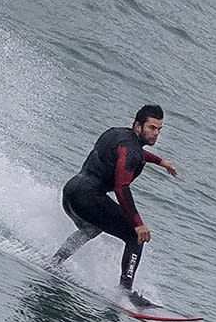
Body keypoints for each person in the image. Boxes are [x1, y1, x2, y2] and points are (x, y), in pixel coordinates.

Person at [53, 103, 177, 298]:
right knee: (136, 237)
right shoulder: (131, 150)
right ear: (138, 126)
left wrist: (160, 162)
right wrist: (138, 224)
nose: (156, 133)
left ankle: (55, 261)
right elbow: (121, 187)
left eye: (159, 129)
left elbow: (132, 154)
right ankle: (124, 292)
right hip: (88, 198)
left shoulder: (117, 134)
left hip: (71, 192)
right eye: (152, 128)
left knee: (92, 228)